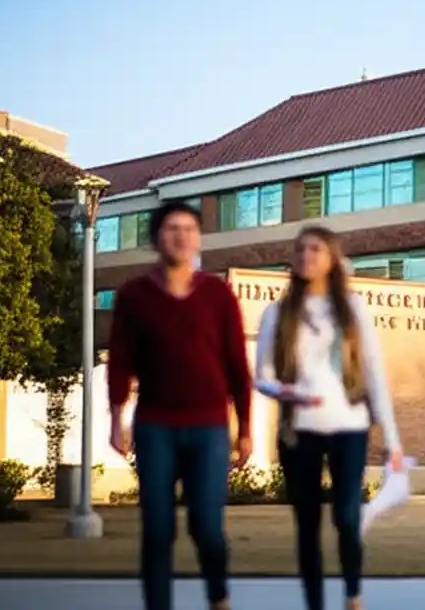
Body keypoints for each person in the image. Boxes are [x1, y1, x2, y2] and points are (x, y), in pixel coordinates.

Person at [107, 201, 253, 610]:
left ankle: (218, 597)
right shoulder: (134, 296)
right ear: (157, 238)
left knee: (206, 526)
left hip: (209, 428)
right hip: (155, 426)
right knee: (157, 530)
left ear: (198, 238)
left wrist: (245, 428)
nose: (181, 236)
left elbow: (238, 366)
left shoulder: (217, 294)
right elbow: (120, 361)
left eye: (189, 228)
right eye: (172, 228)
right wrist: (117, 416)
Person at [254, 226, 404, 610]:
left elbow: (374, 374)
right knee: (306, 525)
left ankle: (353, 594)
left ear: (331, 258)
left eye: (316, 249)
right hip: (299, 430)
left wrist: (393, 439)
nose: (307, 255)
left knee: (347, 517)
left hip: (349, 426)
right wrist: (289, 393)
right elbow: (263, 378)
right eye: (301, 249)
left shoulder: (352, 309)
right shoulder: (277, 312)